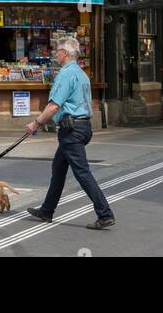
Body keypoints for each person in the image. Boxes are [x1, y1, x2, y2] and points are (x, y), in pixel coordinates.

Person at [25, 36, 115, 230]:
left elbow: (53, 106)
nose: (55, 54)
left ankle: (105, 214)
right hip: (82, 127)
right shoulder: (82, 74)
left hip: (71, 130)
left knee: (82, 173)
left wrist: (36, 123)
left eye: (57, 51)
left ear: (64, 53)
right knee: (58, 169)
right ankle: (47, 210)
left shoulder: (65, 74)